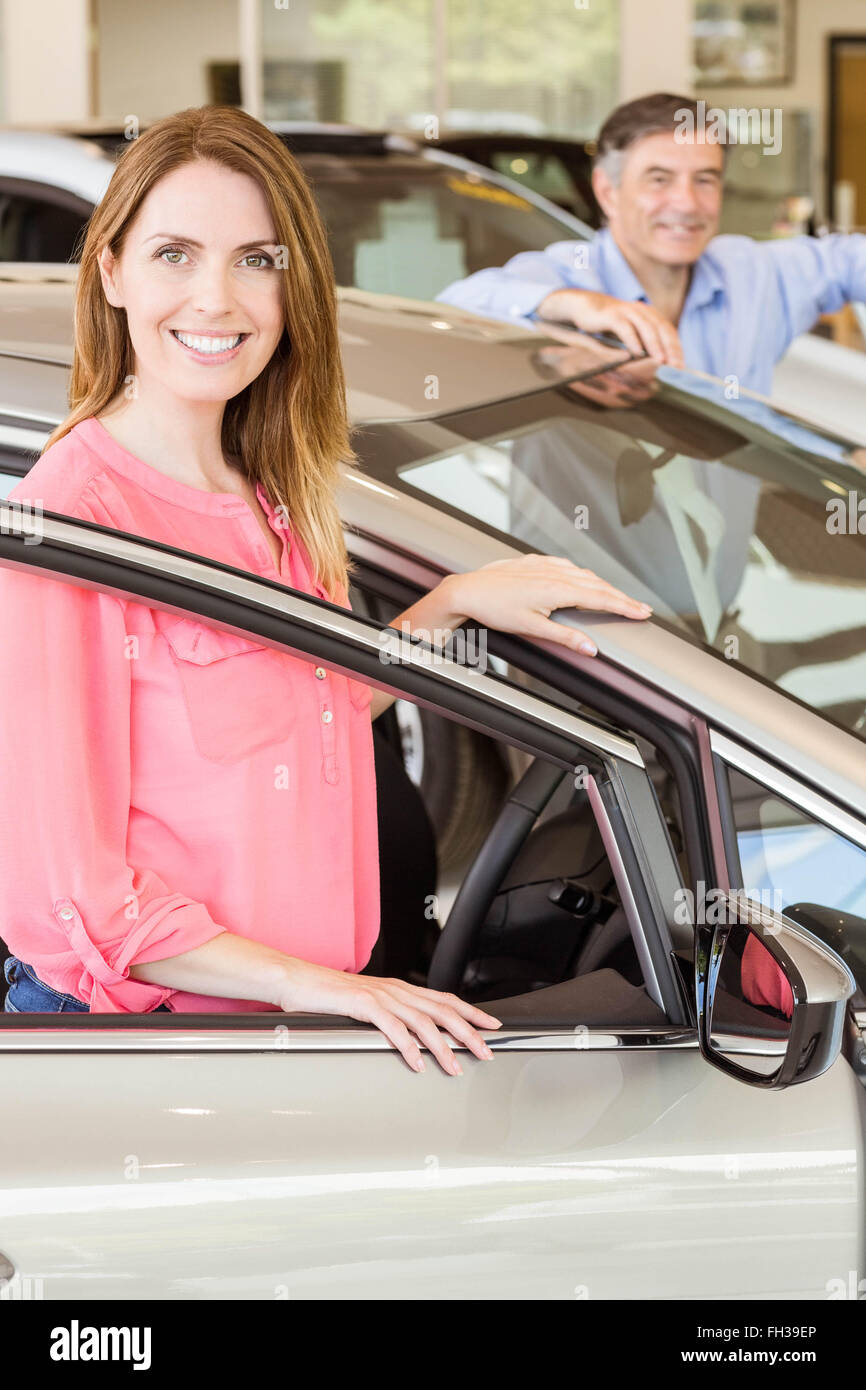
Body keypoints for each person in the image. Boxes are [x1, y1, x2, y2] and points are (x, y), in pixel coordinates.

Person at [0, 106, 652, 1076]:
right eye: (174, 253)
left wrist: (448, 609)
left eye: (256, 258)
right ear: (112, 273)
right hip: (153, 1049)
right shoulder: (75, 517)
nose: (217, 298)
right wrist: (328, 989)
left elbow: (305, 709)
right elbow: (71, 895)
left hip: (284, 1022)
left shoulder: (268, 491)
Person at [436, 91, 866, 395]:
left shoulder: (753, 272)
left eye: (705, 180)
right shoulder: (569, 274)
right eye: (659, 180)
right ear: (607, 191)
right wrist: (574, 305)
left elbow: (851, 262)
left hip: (726, 525)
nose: (686, 203)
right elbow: (451, 313)